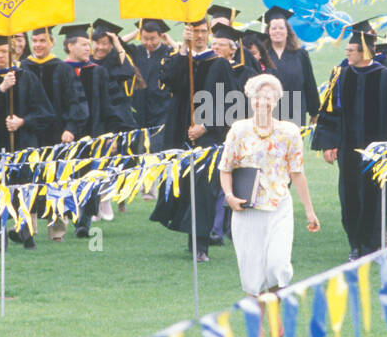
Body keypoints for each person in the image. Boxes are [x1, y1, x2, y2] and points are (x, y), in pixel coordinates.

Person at [312, 21, 387, 260]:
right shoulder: (341, 75)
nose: (346, 54)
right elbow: (329, 111)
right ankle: (355, 245)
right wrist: (329, 143)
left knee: (376, 197)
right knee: (350, 197)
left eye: (351, 50)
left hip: (378, 152)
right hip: (349, 150)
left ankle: (373, 245)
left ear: (365, 52)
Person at [219, 73, 320, 298]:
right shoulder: (238, 129)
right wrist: (229, 196)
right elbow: (225, 168)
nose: (262, 102)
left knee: (278, 265)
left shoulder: (289, 131)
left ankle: (274, 306)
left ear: (276, 101)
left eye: (268, 98)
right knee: (251, 273)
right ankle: (259, 326)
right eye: (258, 97)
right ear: (250, 99)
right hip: (247, 209)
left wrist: (310, 212)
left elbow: (297, 173)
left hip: (278, 206)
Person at [150, 15, 237, 261]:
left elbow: (230, 104)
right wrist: (183, 50)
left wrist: (206, 126)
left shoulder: (219, 64)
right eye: (193, 31)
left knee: (203, 190)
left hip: (207, 137)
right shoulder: (180, 59)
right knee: (184, 187)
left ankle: (201, 245)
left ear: (209, 32)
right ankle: (191, 239)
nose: (198, 35)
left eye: (202, 31)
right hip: (179, 132)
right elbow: (167, 81)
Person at [0, 36, 56, 251]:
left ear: (14, 53)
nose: (1, 56)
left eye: (5, 52)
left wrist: (23, 121)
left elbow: (46, 113)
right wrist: (1, 89)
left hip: (21, 144)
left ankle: (25, 233)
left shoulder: (28, 78)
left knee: (21, 191)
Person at [64, 22, 135, 236]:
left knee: (91, 176)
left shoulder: (98, 72)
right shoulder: (59, 71)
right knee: (69, 177)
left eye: (89, 45)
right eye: (85, 44)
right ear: (70, 47)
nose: (89, 49)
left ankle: (83, 221)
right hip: (66, 135)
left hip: (94, 133)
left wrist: (112, 135)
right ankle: (67, 216)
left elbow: (109, 105)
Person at [261, 7, 320, 125]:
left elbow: (309, 83)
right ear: (268, 32)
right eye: (274, 28)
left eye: (281, 28)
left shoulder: (300, 54)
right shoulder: (262, 55)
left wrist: (314, 111)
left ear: (287, 31)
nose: (278, 31)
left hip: (295, 110)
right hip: (268, 111)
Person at [124, 19, 174, 130]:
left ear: (160, 36)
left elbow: (183, 55)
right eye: (145, 38)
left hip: (161, 107)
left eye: (153, 39)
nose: (149, 43)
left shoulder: (168, 52)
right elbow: (117, 45)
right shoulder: (137, 51)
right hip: (139, 106)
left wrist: (169, 40)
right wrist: (135, 33)